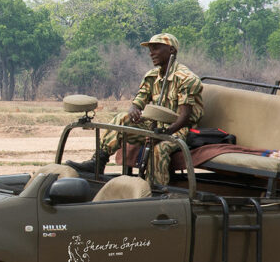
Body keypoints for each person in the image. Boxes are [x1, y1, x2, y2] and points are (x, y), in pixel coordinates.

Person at [66, 32, 205, 185]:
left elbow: (184, 117)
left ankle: (156, 191)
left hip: (180, 129)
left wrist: (164, 133)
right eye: (150, 49)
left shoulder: (187, 79)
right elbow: (139, 100)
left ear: (171, 50)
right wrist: (134, 109)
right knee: (121, 118)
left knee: (158, 150)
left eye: (156, 48)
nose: (151, 53)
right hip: (156, 125)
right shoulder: (152, 76)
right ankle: (98, 163)